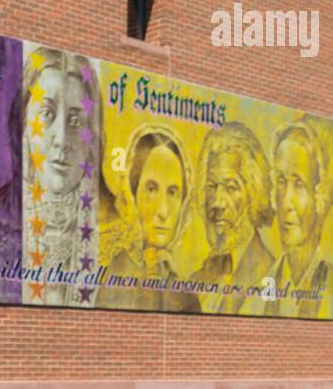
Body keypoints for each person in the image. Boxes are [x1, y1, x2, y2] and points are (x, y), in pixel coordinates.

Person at [21, 47, 101, 307]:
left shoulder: (113, 237)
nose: (62, 140)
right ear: (24, 126)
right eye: (46, 115)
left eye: (76, 121)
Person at [98, 126, 200, 313]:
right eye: (151, 190)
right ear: (132, 197)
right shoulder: (112, 278)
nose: (163, 210)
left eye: (172, 193)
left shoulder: (187, 295)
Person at [259, 114, 333, 318]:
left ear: (319, 195)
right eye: (281, 181)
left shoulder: (331, 285)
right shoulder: (264, 285)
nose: (286, 202)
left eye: (299, 185)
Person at [194, 122, 274, 314]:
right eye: (212, 187)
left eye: (231, 188)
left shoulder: (268, 276)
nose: (217, 203)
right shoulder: (200, 278)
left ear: (253, 194)